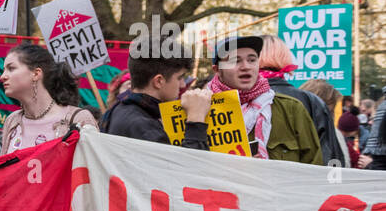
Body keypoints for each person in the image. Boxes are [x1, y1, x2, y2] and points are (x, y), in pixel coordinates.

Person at [0, 44, 99, 162]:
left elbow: (93, 176)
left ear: (36, 74)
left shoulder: (78, 119)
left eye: (11, 68)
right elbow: (5, 177)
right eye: (3, 70)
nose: (2, 76)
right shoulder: (12, 121)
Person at [206, 36, 320, 164]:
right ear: (217, 70)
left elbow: (314, 166)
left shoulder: (291, 109)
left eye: (252, 60)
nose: (246, 66)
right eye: (235, 61)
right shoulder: (202, 110)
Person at [99, 52, 212, 148]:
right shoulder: (143, 126)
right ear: (158, 81)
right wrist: (196, 119)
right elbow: (185, 170)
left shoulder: (119, 109)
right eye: (180, 77)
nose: (183, 85)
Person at [259, 36, 340, 165]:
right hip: (302, 182)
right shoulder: (311, 101)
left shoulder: (233, 99)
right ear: (285, 57)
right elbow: (331, 156)